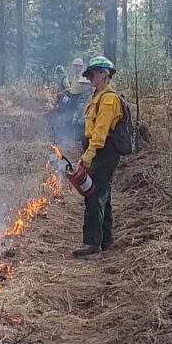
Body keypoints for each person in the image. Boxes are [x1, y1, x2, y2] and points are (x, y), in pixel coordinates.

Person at [73, 55, 123, 258]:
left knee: (93, 195)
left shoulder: (109, 99)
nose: (89, 78)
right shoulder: (98, 96)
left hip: (103, 152)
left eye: (92, 75)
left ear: (104, 74)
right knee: (103, 195)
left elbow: (101, 132)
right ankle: (105, 239)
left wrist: (88, 155)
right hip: (100, 152)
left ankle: (92, 243)